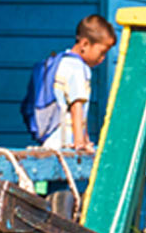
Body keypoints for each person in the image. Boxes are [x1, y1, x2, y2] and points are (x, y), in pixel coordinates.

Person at [23, 15, 117, 151]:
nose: (102, 59)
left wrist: (86, 140)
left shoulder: (62, 62)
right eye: (102, 52)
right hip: (65, 142)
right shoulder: (78, 68)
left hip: (52, 139)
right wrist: (80, 143)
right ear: (85, 44)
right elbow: (76, 106)